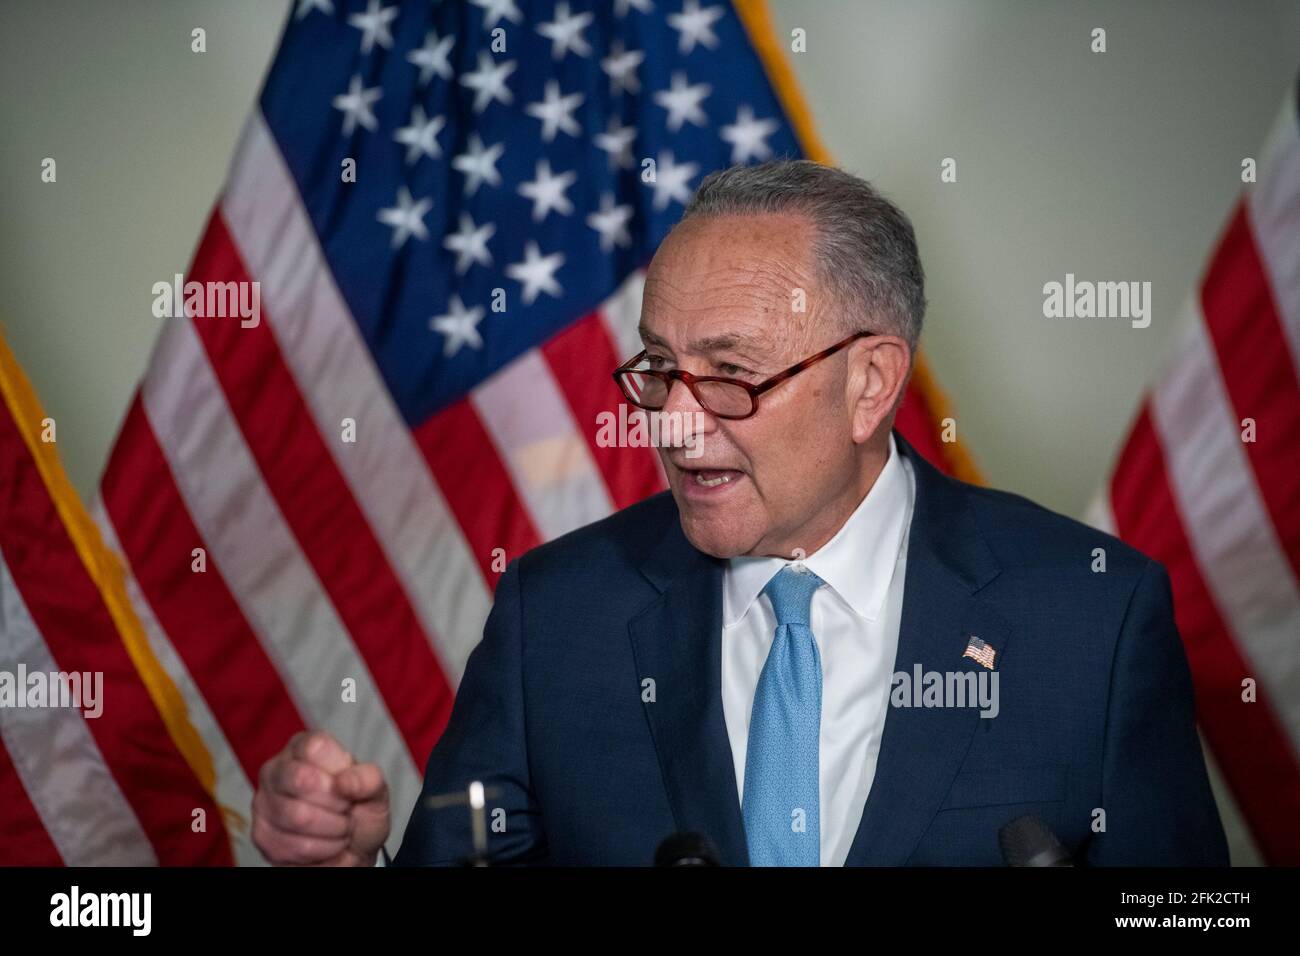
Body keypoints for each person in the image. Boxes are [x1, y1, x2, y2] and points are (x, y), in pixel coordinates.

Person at [250, 160, 1229, 866]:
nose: (673, 423)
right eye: (661, 369)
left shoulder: (1091, 616)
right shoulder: (555, 612)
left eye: (729, 375)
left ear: (869, 383)